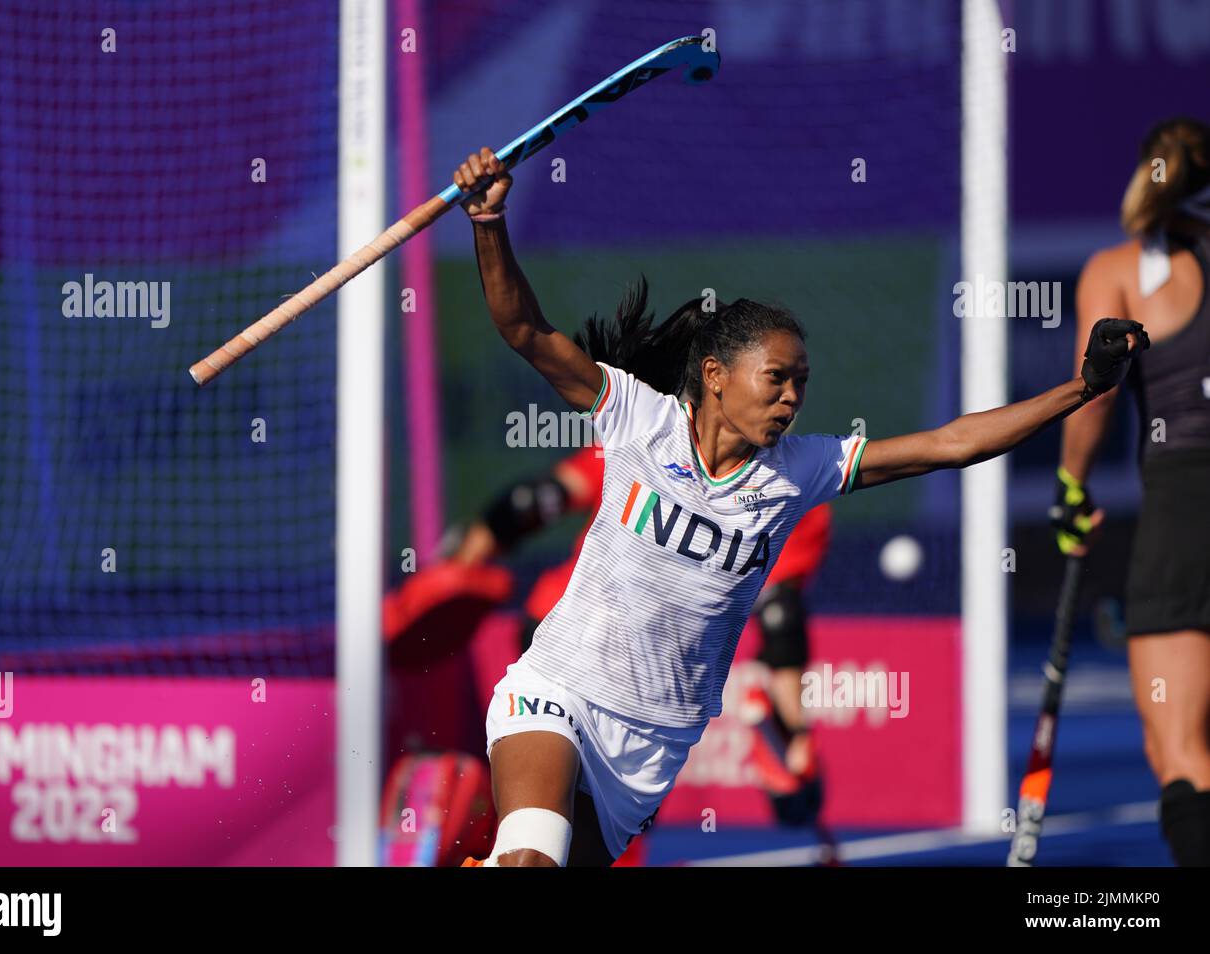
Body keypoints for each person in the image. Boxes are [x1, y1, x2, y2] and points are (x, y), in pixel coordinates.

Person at [454, 147, 1147, 867]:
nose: (792, 397)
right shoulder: (638, 417)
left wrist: (1083, 388)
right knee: (530, 860)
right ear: (716, 377)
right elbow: (525, 332)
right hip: (558, 689)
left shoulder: (800, 471)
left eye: (801, 383)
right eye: (777, 379)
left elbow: (949, 444)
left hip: (653, 745)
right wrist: (489, 219)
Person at [1052, 117, 1210, 867]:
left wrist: (1070, 489)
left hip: (1185, 512)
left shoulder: (1115, 271)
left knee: (1180, 750)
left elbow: (1097, 396)